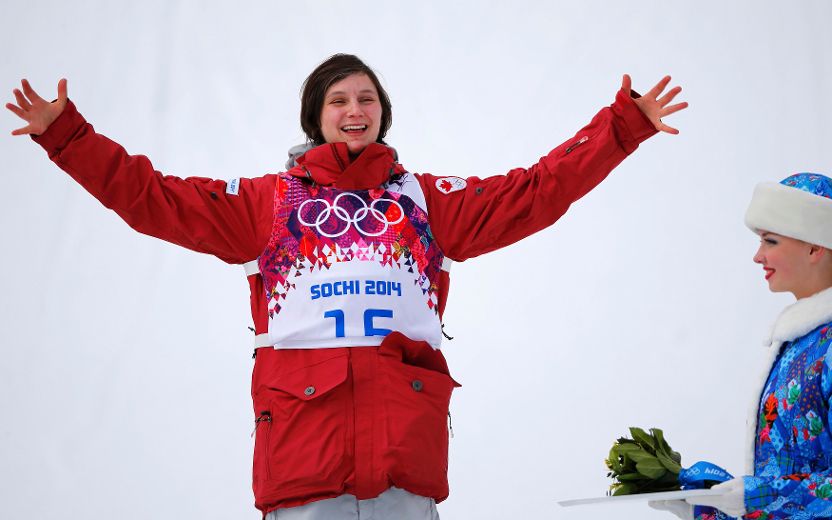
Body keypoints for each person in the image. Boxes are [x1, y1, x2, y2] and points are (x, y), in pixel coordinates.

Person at [7, 54, 687, 519]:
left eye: (366, 98)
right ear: (316, 115)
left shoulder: (428, 201)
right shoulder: (266, 204)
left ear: (382, 113)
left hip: (403, 465)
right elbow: (150, 196)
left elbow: (537, 191)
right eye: (338, 99)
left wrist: (621, 128)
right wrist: (66, 136)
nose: (354, 109)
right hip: (305, 466)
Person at [651, 173, 832, 519]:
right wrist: (708, 508)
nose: (757, 256)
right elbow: (785, 493)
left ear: (814, 245)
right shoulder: (795, 343)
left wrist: (754, 494)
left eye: (770, 241)